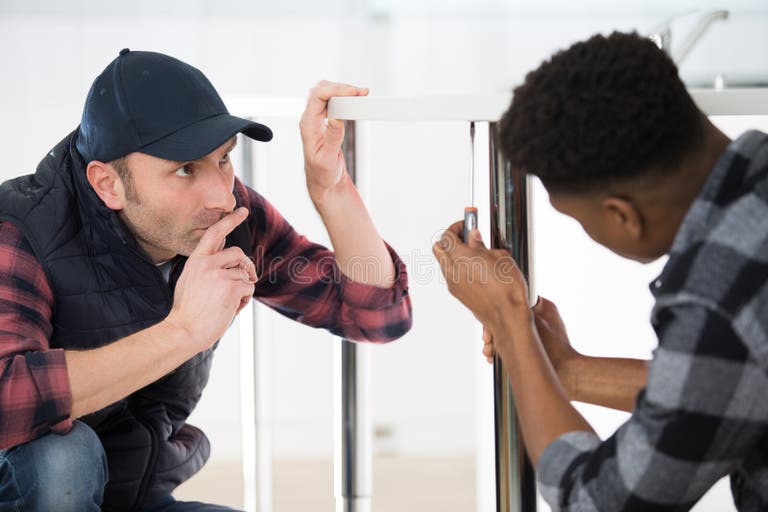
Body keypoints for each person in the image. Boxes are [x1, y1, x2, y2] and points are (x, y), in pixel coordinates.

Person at [0, 49, 412, 512]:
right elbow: (6, 397)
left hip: (136, 498)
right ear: (107, 184)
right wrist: (182, 331)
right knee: (62, 459)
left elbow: (379, 315)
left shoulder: (228, 217)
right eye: (184, 169)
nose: (221, 196)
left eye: (223, 159)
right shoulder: (21, 229)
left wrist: (332, 189)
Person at [433, 31, 768, 511]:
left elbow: (598, 502)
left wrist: (509, 320)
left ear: (623, 216)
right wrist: (565, 370)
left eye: (579, 219)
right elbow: (723, 383)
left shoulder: (720, 290)